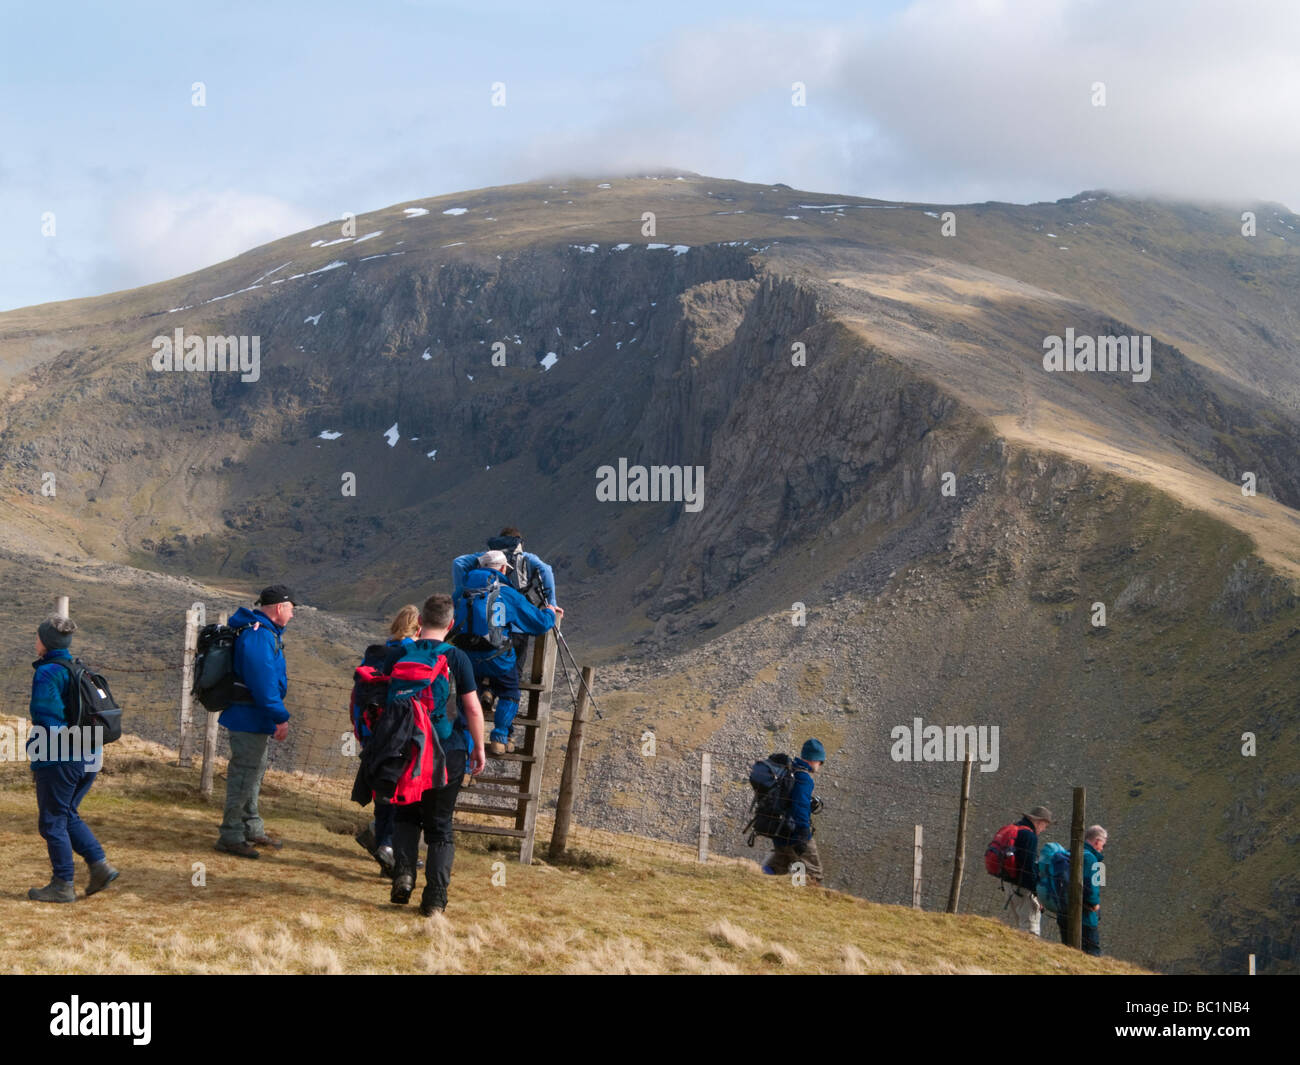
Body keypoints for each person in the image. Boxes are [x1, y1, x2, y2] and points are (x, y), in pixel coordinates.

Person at [390, 593, 486, 915]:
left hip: (406, 749)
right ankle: (433, 901)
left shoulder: (403, 652)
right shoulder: (457, 658)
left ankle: (403, 875)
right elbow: (472, 707)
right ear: (451, 623)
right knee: (440, 827)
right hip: (447, 750)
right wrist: (480, 748)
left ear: (419, 622)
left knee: (405, 815)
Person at [27, 615, 119, 903]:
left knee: (53, 820)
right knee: (67, 814)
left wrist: (41, 751)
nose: (35, 641)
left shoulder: (48, 673)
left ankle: (63, 883)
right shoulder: (79, 668)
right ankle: (99, 866)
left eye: (38, 636)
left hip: (62, 758)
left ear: (46, 642)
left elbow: (47, 718)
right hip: (90, 754)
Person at [452, 550, 561, 755]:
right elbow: (538, 624)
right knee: (510, 691)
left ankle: (465, 764)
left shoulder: (461, 592)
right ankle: (500, 737)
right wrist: (550, 610)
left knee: (466, 699)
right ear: (503, 569)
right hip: (497, 658)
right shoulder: (507, 593)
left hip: (466, 659)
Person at [214, 585, 295, 858]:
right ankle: (231, 834)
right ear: (279, 608)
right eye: (291, 609)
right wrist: (280, 715)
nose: (292, 615)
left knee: (253, 772)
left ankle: (250, 826)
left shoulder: (260, 631)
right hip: (249, 716)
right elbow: (263, 682)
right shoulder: (259, 635)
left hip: (252, 716)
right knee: (243, 775)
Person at [354, 605, 420, 875]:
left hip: (373, 736)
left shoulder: (376, 655)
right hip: (398, 736)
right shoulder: (410, 654)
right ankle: (393, 850)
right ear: (417, 629)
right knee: (402, 795)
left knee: (383, 795)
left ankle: (383, 845)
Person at [452, 527, 558, 686]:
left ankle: (483, 693)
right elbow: (546, 570)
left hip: (485, 627)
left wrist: (464, 588)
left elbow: (458, 562)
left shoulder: (486, 557)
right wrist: (552, 604)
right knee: (512, 678)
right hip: (516, 622)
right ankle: (500, 690)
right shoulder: (527, 558)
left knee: (482, 661)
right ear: (520, 542)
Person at [761, 738, 826, 884]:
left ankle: (759, 885)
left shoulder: (789, 771)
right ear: (814, 759)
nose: (820, 765)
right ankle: (807, 903)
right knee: (813, 873)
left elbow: (790, 803)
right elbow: (799, 807)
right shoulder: (803, 778)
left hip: (780, 831)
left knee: (777, 866)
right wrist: (803, 833)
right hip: (795, 833)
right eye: (820, 761)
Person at [1056, 825, 1107, 955]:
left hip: (1063, 911)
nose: (1102, 848)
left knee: (1069, 952)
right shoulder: (1092, 859)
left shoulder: (1069, 852)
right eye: (1103, 845)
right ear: (1097, 841)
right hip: (1083, 917)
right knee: (1092, 955)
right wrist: (1095, 905)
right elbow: (1092, 891)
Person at [1003, 805, 1052, 935]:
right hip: (1023, 889)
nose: (1044, 829)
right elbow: (1028, 867)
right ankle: (1027, 954)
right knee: (1030, 929)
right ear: (1040, 822)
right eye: (1045, 826)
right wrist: (1037, 893)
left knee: (1021, 925)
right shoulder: (1029, 836)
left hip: (1009, 883)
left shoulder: (1016, 828)